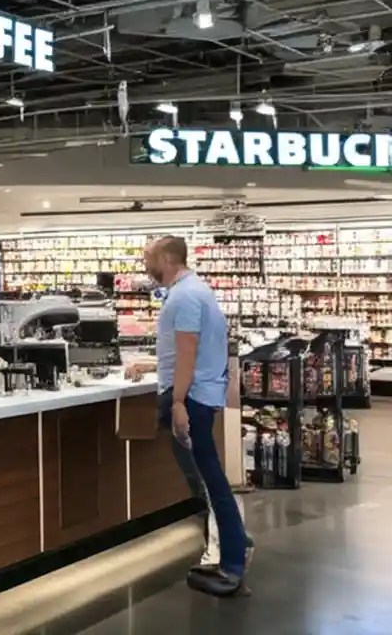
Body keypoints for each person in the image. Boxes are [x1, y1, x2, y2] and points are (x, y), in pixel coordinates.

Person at [127, 235, 251, 594]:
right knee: (206, 477)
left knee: (209, 479)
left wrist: (178, 403)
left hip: (192, 399)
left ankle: (232, 561)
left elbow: (187, 353)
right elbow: (182, 351)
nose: (145, 264)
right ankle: (235, 547)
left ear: (167, 258)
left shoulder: (183, 296)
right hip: (197, 394)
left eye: (148, 257)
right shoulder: (194, 291)